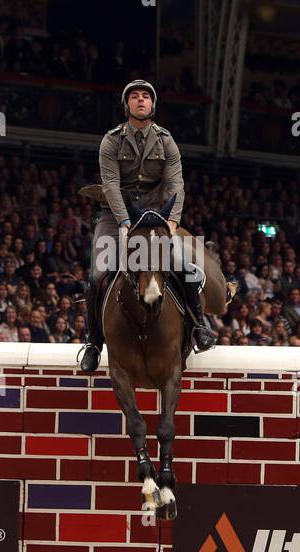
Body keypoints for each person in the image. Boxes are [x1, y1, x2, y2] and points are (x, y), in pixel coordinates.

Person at [77, 80, 214, 374]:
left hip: (154, 216)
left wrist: (172, 221)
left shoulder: (167, 140)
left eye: (146, 97)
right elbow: (111, 185)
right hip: (115, 215)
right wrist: (125, 221)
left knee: (182, 264)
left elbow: (176, 183)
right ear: (127, 105)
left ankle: (199, 327)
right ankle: (93, 343)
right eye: (135, 97)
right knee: (98, 274)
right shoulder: (111, 140)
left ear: (153, 105)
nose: (141, 100)